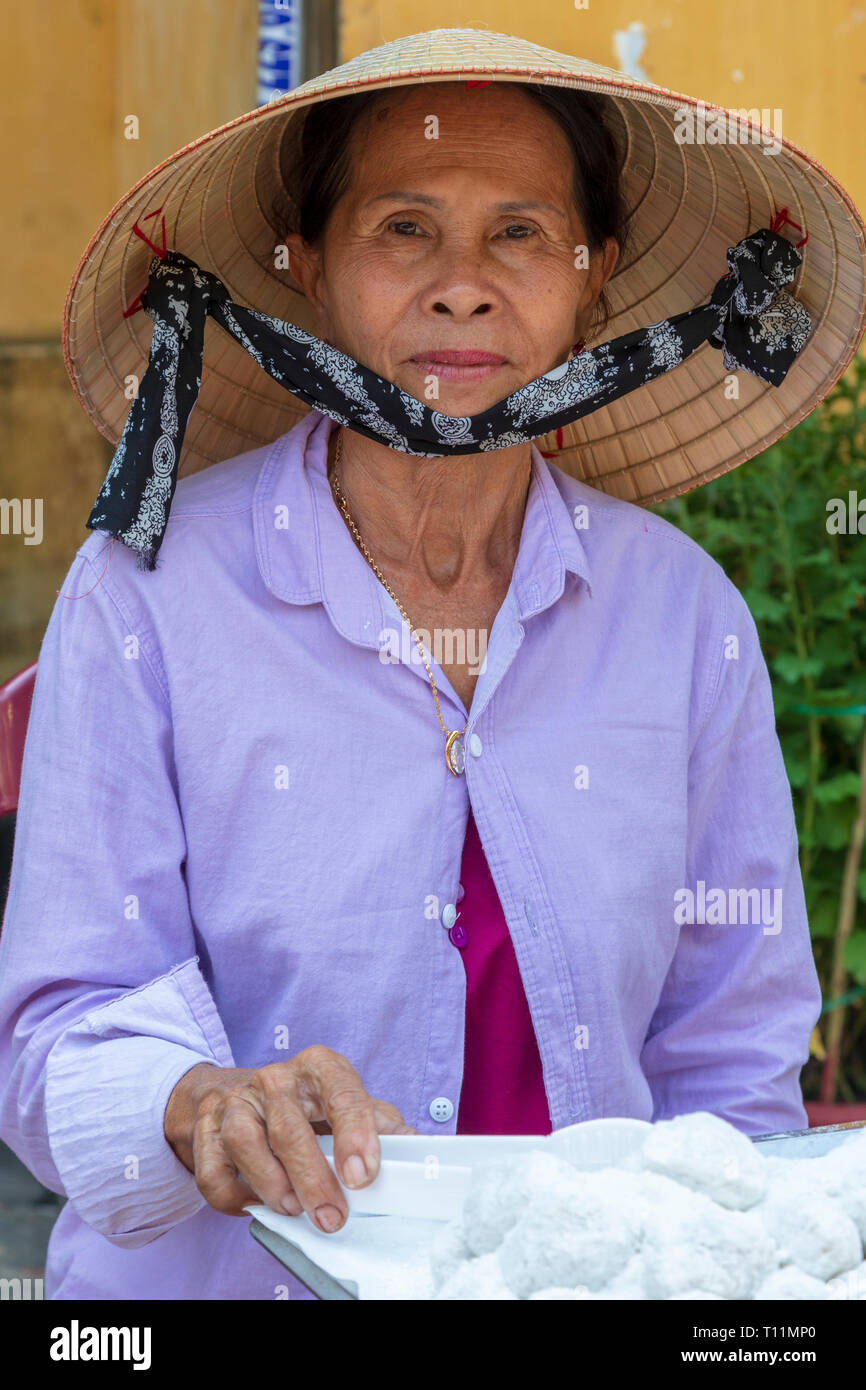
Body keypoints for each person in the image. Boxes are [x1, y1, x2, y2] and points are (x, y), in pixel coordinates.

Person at [1, 28, 863, 1302]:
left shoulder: (682, 618)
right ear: (303, 269)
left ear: (594, 276)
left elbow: (726, 1064)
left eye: (520, 233)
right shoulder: (147, 596)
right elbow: (58, 1028)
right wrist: (199, 1099)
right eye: (403, 227)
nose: (462, 286)